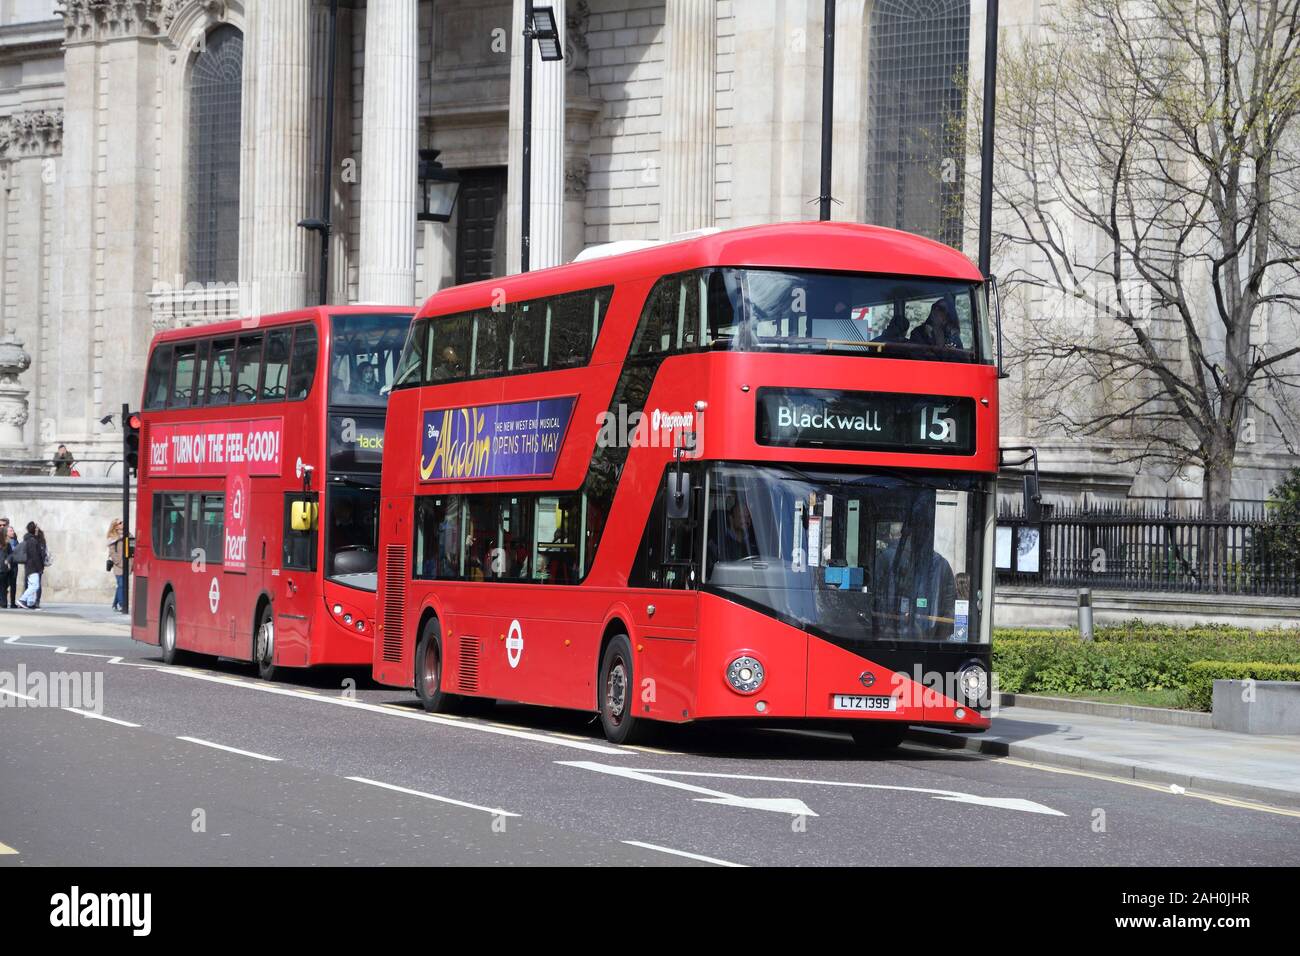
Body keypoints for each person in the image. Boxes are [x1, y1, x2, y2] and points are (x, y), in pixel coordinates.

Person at [18, 521, 47, 610]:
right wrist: (39, 568)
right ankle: (22, 600)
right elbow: (35, 556)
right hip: (33, 567)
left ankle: (30, 603)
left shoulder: (30, 539)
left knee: (31, 585)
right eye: (36, 528)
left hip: (30, 566)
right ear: (34, 529)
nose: (38, 529)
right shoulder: (32, 541)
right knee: (35, 586)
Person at [107, 518, 127, 613]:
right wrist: (118, 561)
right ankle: (121, 605)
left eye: (122, 522)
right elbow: (111, 552)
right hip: (118, 565)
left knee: (121, 585)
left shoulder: (127, 534)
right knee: (121, 584)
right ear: (116, 526)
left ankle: (114, 604)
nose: (122, 523)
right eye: (120, 523)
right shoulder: (113, 537)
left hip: (126, 564)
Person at [0, 524, 17, 609]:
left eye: (12, 530)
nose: (12, 532)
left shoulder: (12, 542)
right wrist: (6, 561)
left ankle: (9, 603)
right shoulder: (4, 543)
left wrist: (8, 560)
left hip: (9, 567)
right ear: (5, 533)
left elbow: (11, 554)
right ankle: (4, 603)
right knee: (3, 586)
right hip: (4, 567)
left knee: (8, 585)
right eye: (10, 531)